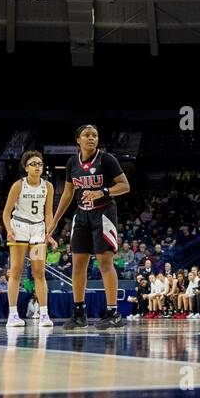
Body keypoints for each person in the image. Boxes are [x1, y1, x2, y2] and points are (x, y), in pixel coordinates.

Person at [47, 124, 130, 332]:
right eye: (86, 135)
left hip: (103, 213)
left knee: (104, 263)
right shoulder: (72, 162)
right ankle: (79, 314)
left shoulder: (107, 159)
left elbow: (124, 186)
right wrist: (56, 220)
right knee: (78, 264)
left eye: (94, 135)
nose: (91, 138)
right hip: (81, 215)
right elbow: (67, 194)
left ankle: (113, 313)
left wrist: (102, 191)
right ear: (78, 140)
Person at [2, 150, 55, 330]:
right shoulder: (18, 185)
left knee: (39, 272)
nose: (37, 167)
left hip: (38, 230)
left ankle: (44, 313)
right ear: (26, 168)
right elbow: (6, 212)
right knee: (16, 271)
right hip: (20, 228)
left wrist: (50, 233)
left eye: (40, 164)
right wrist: (9, 230)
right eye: (33, 164)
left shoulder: (48, 186)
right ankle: (13, 314)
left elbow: (49, 214)